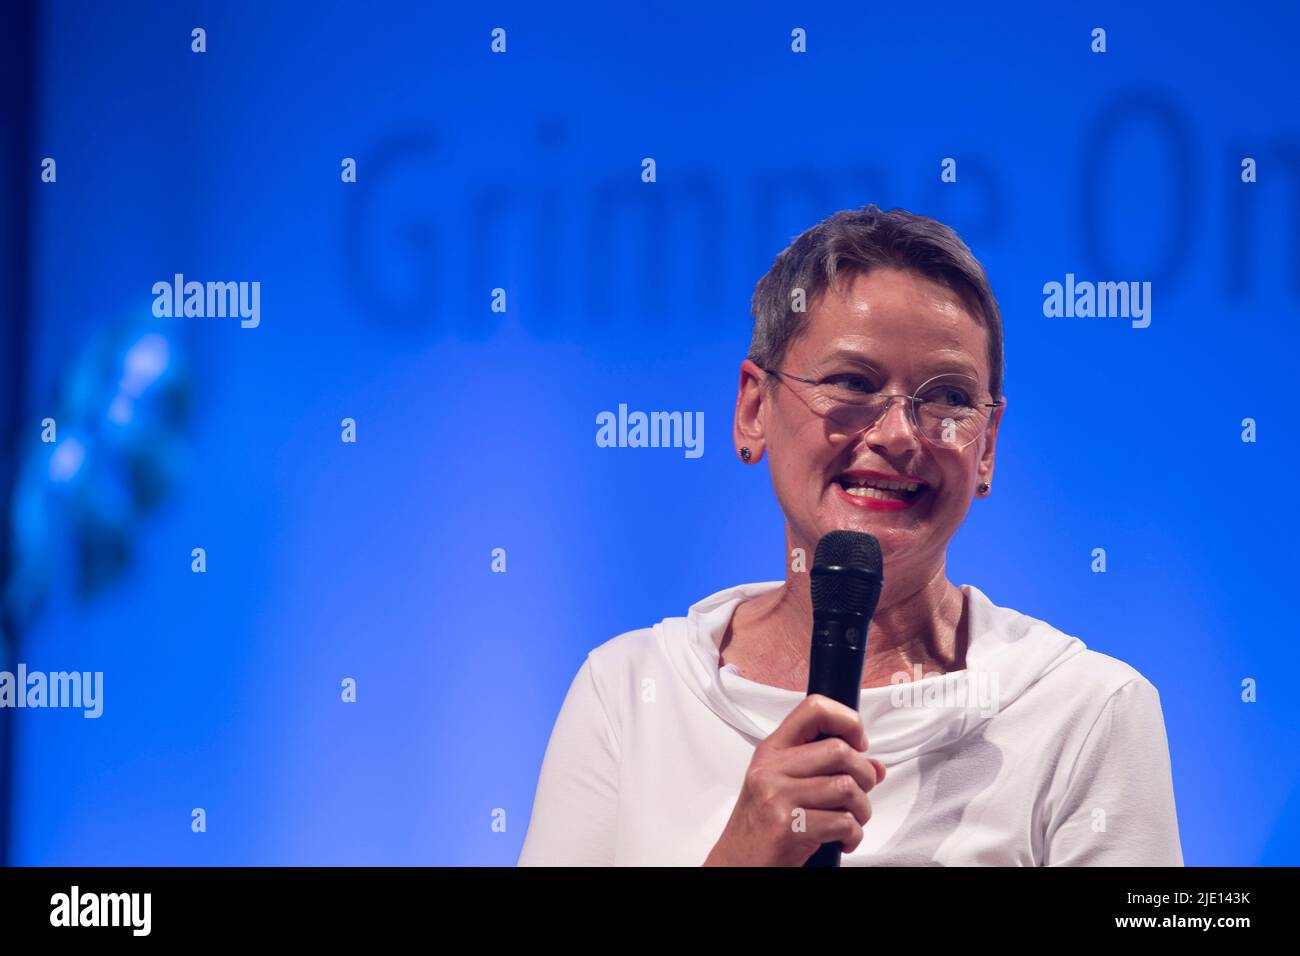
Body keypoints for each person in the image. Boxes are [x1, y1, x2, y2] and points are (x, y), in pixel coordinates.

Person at [517, 204, 1183, 866]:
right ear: (753, 409)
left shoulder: (1085, 712)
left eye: (948, 396)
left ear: (987, 447)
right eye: (851, 382)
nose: (898, 434)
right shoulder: (630, 694)